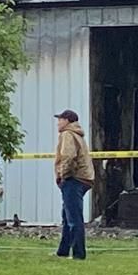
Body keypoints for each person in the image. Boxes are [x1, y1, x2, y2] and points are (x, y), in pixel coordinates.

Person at [54, 109, 94, 260]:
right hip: (82, 179)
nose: (58, 122)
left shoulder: (67, 134)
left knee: (73, 218)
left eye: (60, 119)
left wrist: (63, 175)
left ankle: (78, 253)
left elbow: (68, 156)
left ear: (67, 121)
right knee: (67, 215)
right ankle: (63, 251)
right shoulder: (77, 134)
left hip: (74, 179)